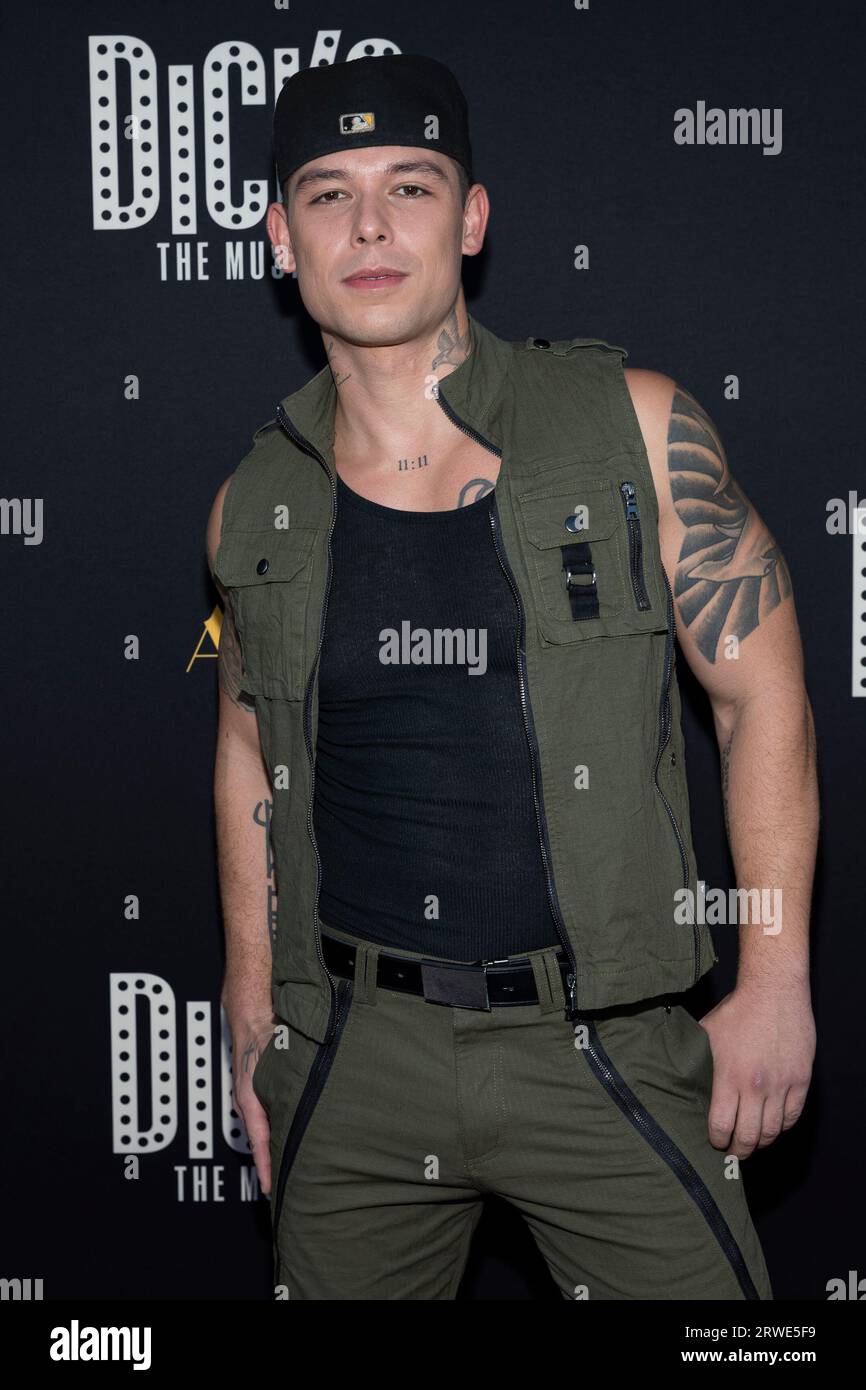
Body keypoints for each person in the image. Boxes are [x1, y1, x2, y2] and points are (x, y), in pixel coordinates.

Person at [205, 52, 817, 1300]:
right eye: (327, 194)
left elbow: (760, 697)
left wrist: (773, 978)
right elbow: (244, 751)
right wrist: (253, 1003)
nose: (369, 224)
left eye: (410, 186)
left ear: (470, 219)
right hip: (350, 1052)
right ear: (280, 237)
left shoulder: (633, 422)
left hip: (597, 1045)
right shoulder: (247, 501)